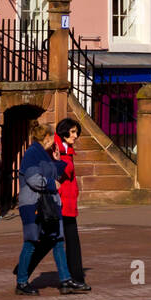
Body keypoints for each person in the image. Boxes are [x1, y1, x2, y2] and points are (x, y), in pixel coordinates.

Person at [25, 119, 91, 291]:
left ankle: (70, 279)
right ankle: (70, 279)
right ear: (64, 132)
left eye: (77, 132)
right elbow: (48, 173)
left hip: (67, 202)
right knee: (50, 241)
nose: (76, 136)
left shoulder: (66, 150)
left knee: (57, 241)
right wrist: (57, 162)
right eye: (73, 132)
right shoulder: (55, 149)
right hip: (58, 203)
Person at [15, 121, 79, 296]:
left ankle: (65, 280)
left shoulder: (45, 154)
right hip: (33, 205)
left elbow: (55, 174)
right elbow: (34, 179)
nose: (54, 141)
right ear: (47, 137)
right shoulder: (31, 153)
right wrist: (52, 184)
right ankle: (21, 282)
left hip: (48, 204)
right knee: (31, 242)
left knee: (57, 240)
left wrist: (57, 162)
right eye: (52, 137)